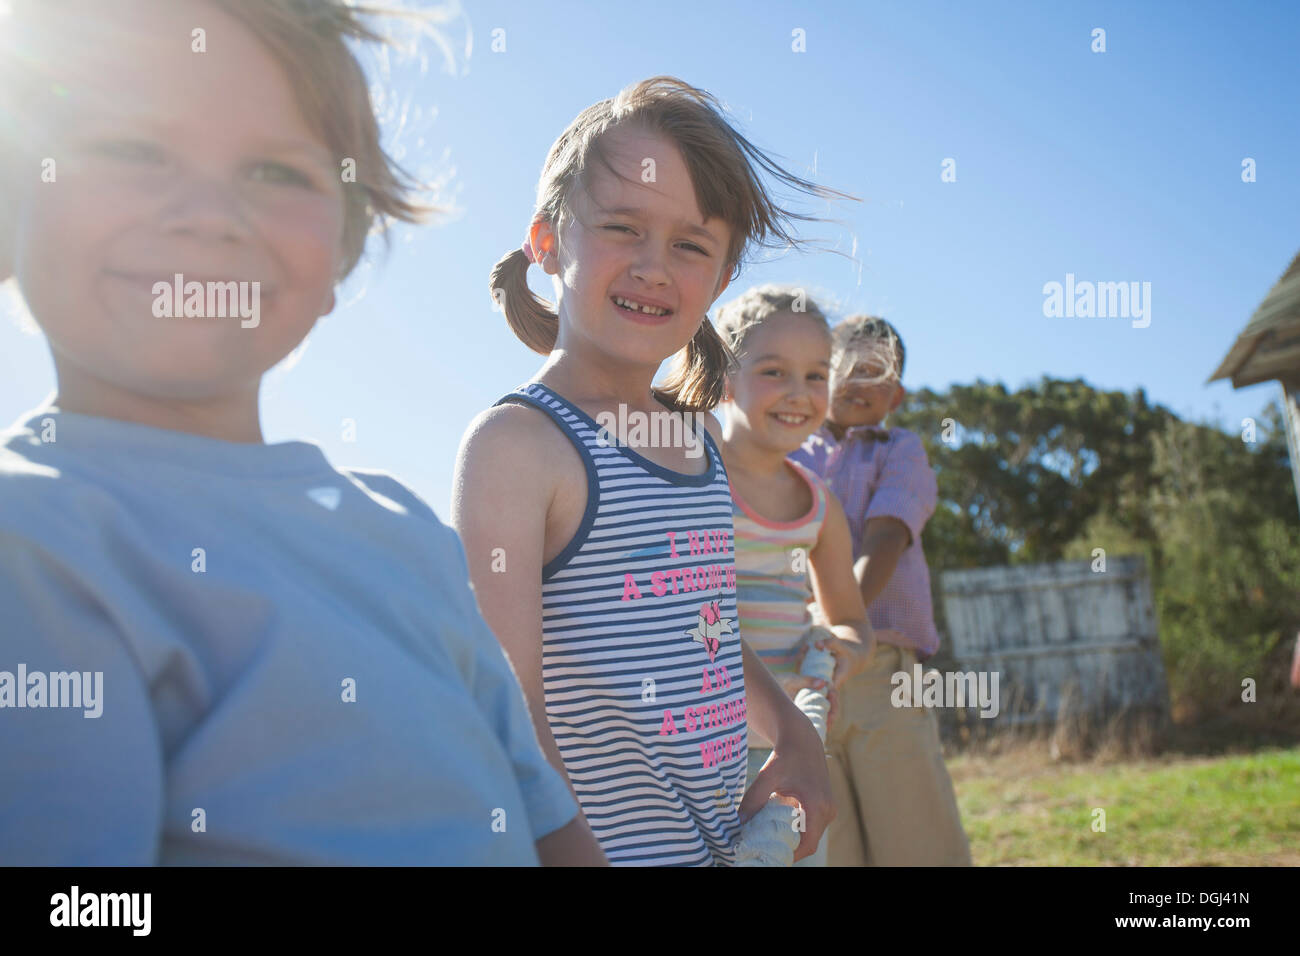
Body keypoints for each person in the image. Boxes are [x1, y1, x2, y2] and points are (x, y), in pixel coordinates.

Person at [0, 0, 602, 865]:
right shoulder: (32, 540)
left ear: (337, 261)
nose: (208, 212)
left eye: (275, 171)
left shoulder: (405, 534)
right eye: (130, 151)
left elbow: (545, 821)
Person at [452, 77, 852, 865]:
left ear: (722, 277)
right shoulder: (519, 447)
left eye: (691, 245)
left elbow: (705, 630)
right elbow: (502, 705)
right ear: (547, 241)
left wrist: (793, 733)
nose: (654, 267)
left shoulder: (698, 441)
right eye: (622, 228)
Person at [713, 285, 895, 865]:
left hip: (787, 756)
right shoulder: (691, 475)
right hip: (691, 748)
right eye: (774, 371)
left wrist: (843, 654)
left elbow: (851, 623)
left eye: (816, 375)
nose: (799, 393)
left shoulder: (821, 507)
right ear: (724, 378)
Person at [790, 315, 972, 866]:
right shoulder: (787, 454)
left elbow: (886, 536)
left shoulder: (900, 450)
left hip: (884, 671)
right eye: (846, 368)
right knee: (828, 845)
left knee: (915, 840)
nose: (858, 382)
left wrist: (835, 620)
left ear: (897, 395)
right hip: (799, 671)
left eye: (876, 374)